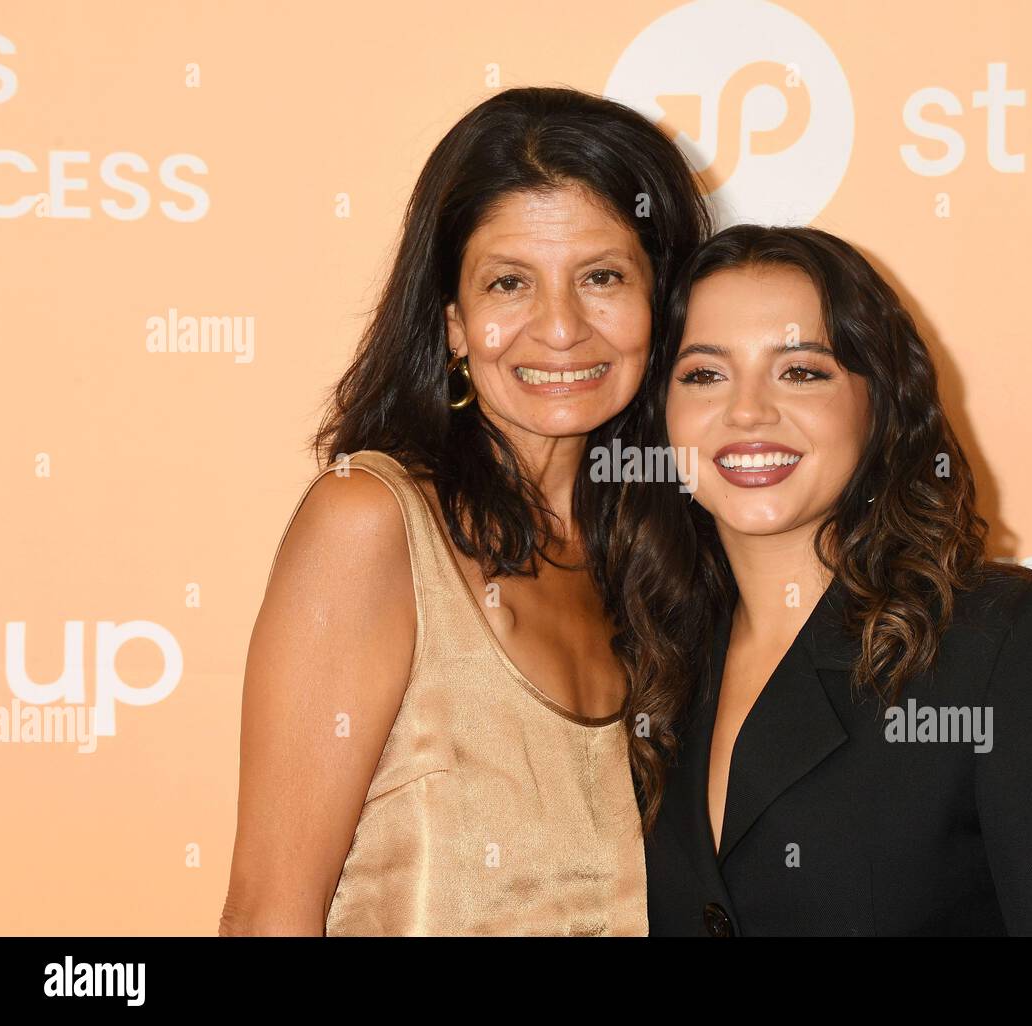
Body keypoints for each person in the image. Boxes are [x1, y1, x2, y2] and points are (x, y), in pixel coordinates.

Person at [218, 86, 712, 936]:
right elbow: (268, 915)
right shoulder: (371, 523)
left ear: (658, 306)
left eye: (601, 277)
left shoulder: (667, 553)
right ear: (453, 322)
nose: (561, 328)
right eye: (509, 283)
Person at [609, 224, 1032, 936]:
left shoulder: (1010, 647)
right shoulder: (650, 660)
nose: (746, 411)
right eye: (704, 375)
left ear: (882, 404)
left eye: (802, 371)